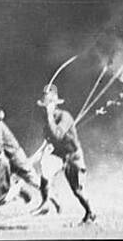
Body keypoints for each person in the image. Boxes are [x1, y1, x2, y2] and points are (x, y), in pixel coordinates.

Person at [38, 84, 95, 224]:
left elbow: (57, 135)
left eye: (48, 105)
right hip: (60, 156)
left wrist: (49, 116)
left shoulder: (65, 116)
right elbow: (50, 139)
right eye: (44, 105)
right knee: (45, 172)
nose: (45, 108)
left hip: (74, 158)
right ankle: (46, 203)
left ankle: (90, 213)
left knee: (77, 190)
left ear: (54, 105)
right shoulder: (47, 120)